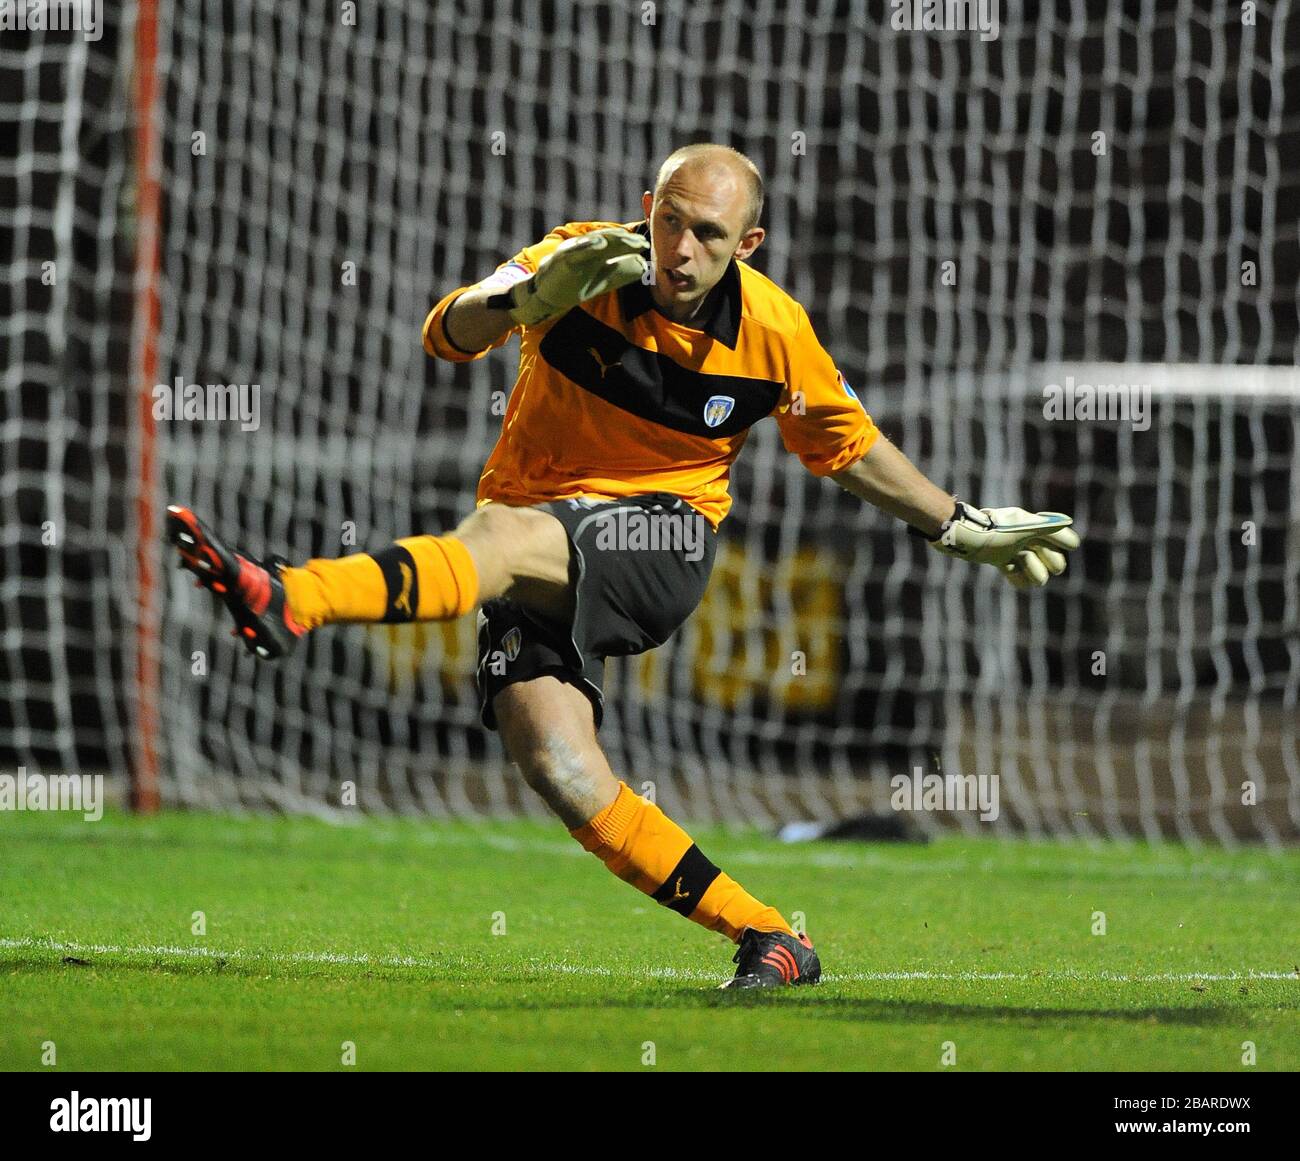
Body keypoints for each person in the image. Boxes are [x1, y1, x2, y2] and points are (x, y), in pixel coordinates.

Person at [167, 143, 1078, 988]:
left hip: (663, 540)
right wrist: (526, 300)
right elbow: (446, 332)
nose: (680, 247)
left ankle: (291, 596)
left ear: (747, 244)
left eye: (708, 233)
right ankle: (770, 936)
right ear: (648, 208)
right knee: (563, 769)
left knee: (497, 537)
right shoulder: (581, 260)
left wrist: (959, 526)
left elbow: (851, 449)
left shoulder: (774, 334)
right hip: (544, 529)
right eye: (669, 219)